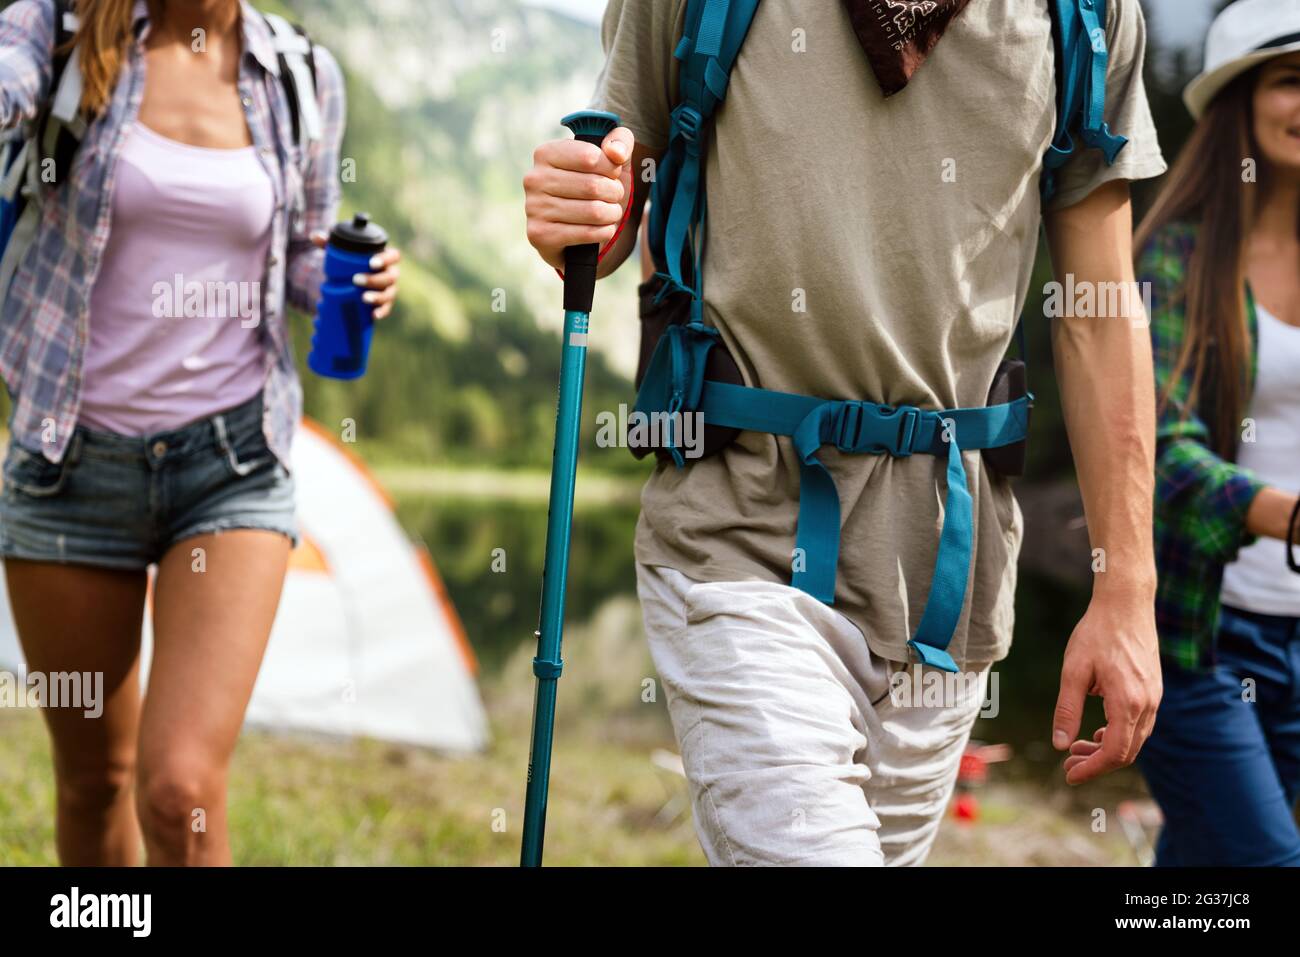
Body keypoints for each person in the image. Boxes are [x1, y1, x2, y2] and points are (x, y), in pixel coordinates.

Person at [525, 0, 1165, 866]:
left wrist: (1125, 591)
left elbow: (1099, 311)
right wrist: (584, 210)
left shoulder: (1081, 14)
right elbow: (619, 189)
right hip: (740, 535)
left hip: (950, 585)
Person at [0, 0, 402, 865]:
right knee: (91, 781)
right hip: (69, 459)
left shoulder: (299, 74)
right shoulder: (57, 28)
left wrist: (351, 282)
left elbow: (300, 258)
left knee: (179, 785)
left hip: (231, 463)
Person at [1130, 0, 1300, 867]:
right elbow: (1159, 447)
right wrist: (1285, 514)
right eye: (1291, 82)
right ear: (1239, 103)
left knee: (1205, 876)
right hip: (1199, 635)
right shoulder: (1176, 259)